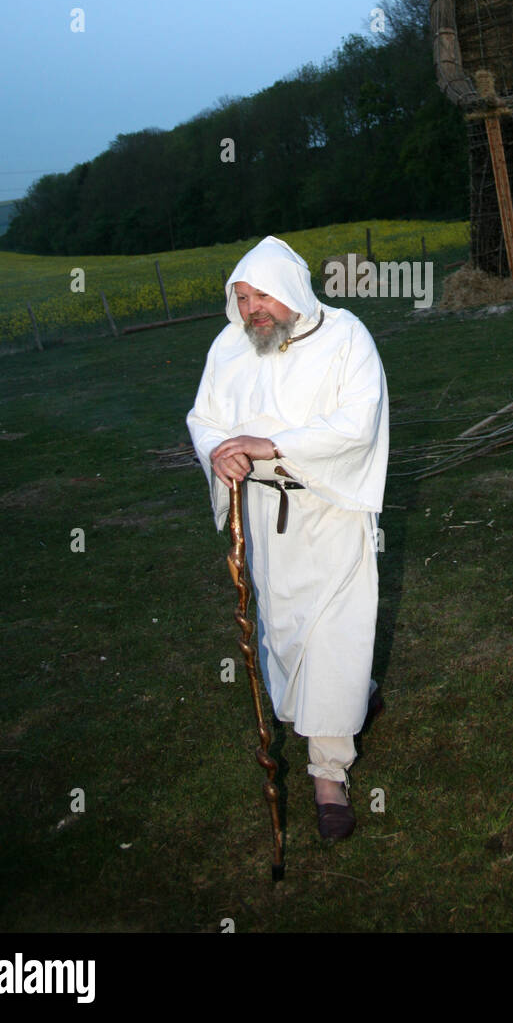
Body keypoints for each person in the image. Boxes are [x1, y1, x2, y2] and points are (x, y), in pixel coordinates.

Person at [187, 235, 388, 843]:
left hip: (329, 512)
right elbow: (206, 419)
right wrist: (218, 454)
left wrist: (271, 446)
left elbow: (357, 420)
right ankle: (360, 693)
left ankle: (329, 775)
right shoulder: (230, 348)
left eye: (261, 295)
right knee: (286, 639)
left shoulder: (346, 337)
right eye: (241, 298)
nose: (252, 310)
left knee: (330, 638)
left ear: (293, 290)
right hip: (266, 528)